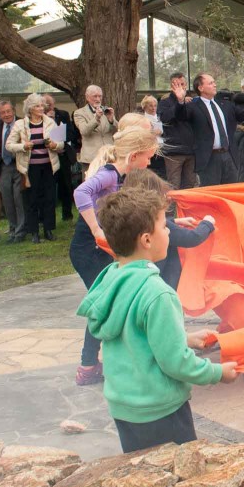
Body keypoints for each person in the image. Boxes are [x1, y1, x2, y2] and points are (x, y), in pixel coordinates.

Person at [77, 186, 237, 453]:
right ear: (147, 240)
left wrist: (182, 337)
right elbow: (176, 363)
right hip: (161, 410)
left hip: (125, 408)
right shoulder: (158, 293)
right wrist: (217, 373)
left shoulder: (111, 278)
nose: (169, 232)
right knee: (179, 481)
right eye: (165, 226)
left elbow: (133, 332)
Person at [70, 127, 159, 386]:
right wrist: (96, 228)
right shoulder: (109, 174)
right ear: (133, 156)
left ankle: (107, 361)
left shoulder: (120, 175)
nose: (149, 162)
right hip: (88, 250)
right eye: (148, 157)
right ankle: (88, 364)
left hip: (101, 250)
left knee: (111, 302)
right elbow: (81, 193)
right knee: (103, 304)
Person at [121, 170, 216, 290]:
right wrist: (207, 224)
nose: (167, 230)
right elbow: (192, 238)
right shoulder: (157, 226)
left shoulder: (131, 218)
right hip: (165, 283)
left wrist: (174, 221)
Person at [6, 93, 63, 243]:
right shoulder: (20, 124)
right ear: (30, 108)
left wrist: (54, 145)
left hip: (49, 166)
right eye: (37, 106)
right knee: (31, 200)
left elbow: (61, 143)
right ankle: (34, 233)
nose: (41, 108)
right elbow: (8, 145)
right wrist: (23, 146)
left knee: (49, 199)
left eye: (42, 105)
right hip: (29, 169)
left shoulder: (50, 122)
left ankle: (48, 230)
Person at [168, 74, 238, 187]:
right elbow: (181, 116)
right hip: (209, 158)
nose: (215, 85)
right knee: (212, 194)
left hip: (228, 155)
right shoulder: (194, 105)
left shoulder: (223, 104)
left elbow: (242, 114)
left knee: (232, 191)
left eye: (214, 82)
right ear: (200, 88)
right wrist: (180, 101)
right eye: (210, 83)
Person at [157, 72, 197, 191]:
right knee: (173, 186)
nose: (180, 87)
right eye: (177, 84)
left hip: (191, 151)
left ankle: (187, 210)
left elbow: (192, 119)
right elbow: (166, 118)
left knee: (190, 186)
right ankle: (172, 210)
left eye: (182, 84)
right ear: (171, 86)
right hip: (174, 152)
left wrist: (184, 102)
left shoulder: (191, 103)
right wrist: (179, 102)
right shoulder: (165, 103)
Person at [0, 101, 26, 244]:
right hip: (3, 166)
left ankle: (20, 231)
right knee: (7, 199)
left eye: (8, 111)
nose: (6, 114)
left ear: (13, 110)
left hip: (18, 164)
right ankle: (12, 229)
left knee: (18, 198)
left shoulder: (22, 123)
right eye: (3, 112)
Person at [43, 94, 77, 222]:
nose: (48, 106)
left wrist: (58, 130)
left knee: (66, 185)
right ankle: (47, 217)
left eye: (49, 103)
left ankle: (67, 214)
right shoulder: (39, 118)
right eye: (45, 104)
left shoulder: (63, 114)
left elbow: (71, 134)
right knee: (49, 188)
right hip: (48, 157)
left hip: (62, 154)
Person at [73, 85, 117, 173]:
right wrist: (96, 118)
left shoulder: (106, 110)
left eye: (100, 96)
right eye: (95, 96)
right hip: (91, 158)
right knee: (92, 185)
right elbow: (84, 131)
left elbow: (117, 131)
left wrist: (111, 120)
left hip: (109, 156)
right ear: (87, 97)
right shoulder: (79, 113)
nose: (98, 99)